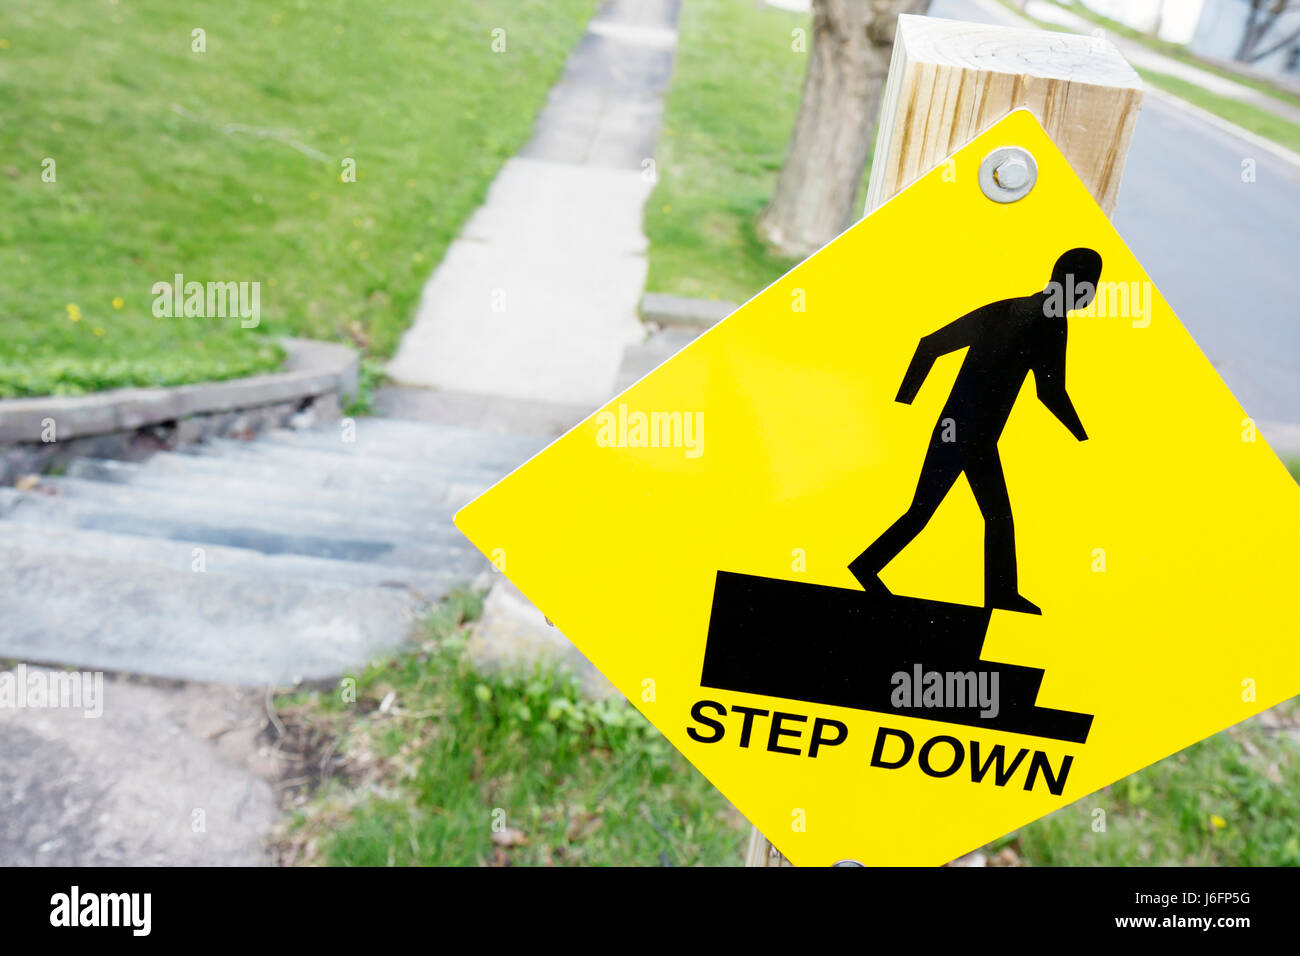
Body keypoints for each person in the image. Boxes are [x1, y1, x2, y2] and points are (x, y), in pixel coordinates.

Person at [848, 248, 1101, 615]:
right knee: (933, 513)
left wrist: (906, 402)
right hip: (970, 436)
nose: (1093, 295)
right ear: (1078, 286)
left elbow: (930, 345)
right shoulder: (1049, 322)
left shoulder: (1007, 308)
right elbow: (1050, 391)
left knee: (980, 514)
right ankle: (866, 567)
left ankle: (1000, 594)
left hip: (962, 431)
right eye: (1092, 285)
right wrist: (1084, 438)